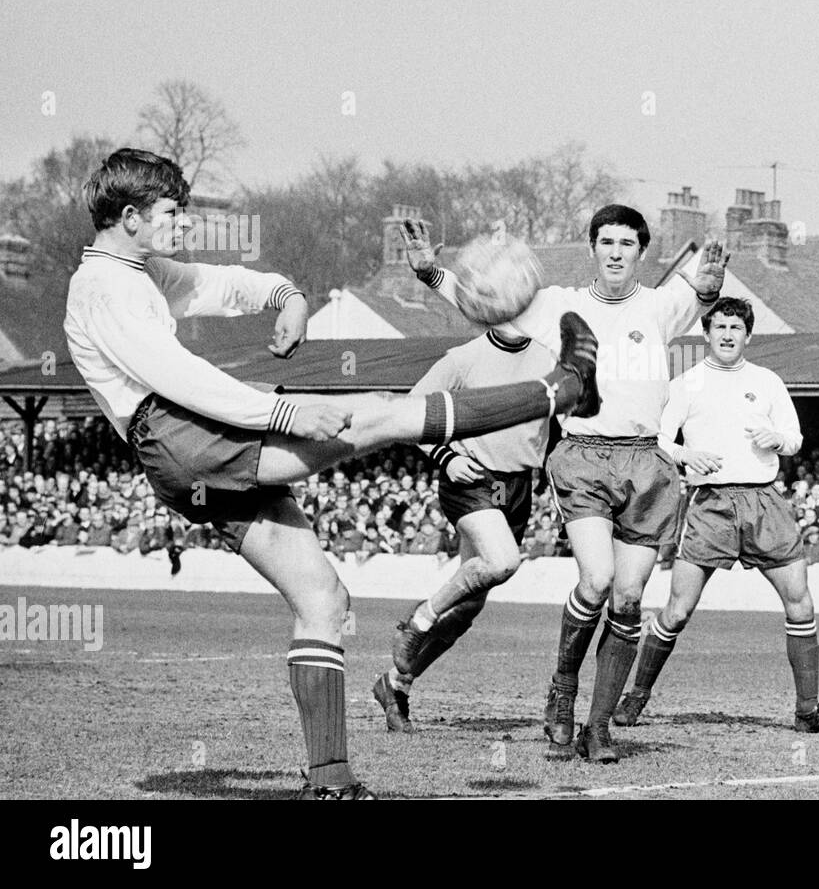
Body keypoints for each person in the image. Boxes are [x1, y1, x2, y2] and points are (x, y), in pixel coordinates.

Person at [63, 148, 601, 798]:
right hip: (182, 433)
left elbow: (217, 284)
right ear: (129, 217)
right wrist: (286, 409)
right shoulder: (102, 287)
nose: (185, 224)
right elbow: (178, 378)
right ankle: (560, 389)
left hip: (188, 443)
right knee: (374, 417)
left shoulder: (138, 270)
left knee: (323, 598)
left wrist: (283, 294)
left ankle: (330, 781)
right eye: (173, 213)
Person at [402, 204, 728, 762]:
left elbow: (699, 295)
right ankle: (562, 691)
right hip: (584, 458)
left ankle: (598, 728)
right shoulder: (562, 305)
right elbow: (490, 304)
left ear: (642, 252)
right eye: (607, 242)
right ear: (593, 249)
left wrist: (710, 290)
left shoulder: (659, 305)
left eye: (628, 243)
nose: (617, 252)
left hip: (647, 465)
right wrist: (431, 273)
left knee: (628, 599)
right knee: (597, 579)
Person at [611, 298, 819, 735]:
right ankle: (636, 695)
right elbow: (659, 439)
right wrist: (687, 455)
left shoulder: (767, 381)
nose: (727, 334)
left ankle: (808, 710)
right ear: (706, 333)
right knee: (678, 610)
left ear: (748, 335)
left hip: (764, 503)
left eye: (736, 327)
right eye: (720, 326)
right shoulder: (687, 383)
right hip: (711, 506)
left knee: (800, 600)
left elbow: (795, 439)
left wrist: (776, 438)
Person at [374, 325, 555, 733]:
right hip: (469, 477)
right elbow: (409, 412)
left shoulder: (549, 356)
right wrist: (444, 455)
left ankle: (395, 684)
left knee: (467, 609)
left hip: (518, 487)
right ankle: (417, 621)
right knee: (503, 561)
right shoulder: (462, 357)